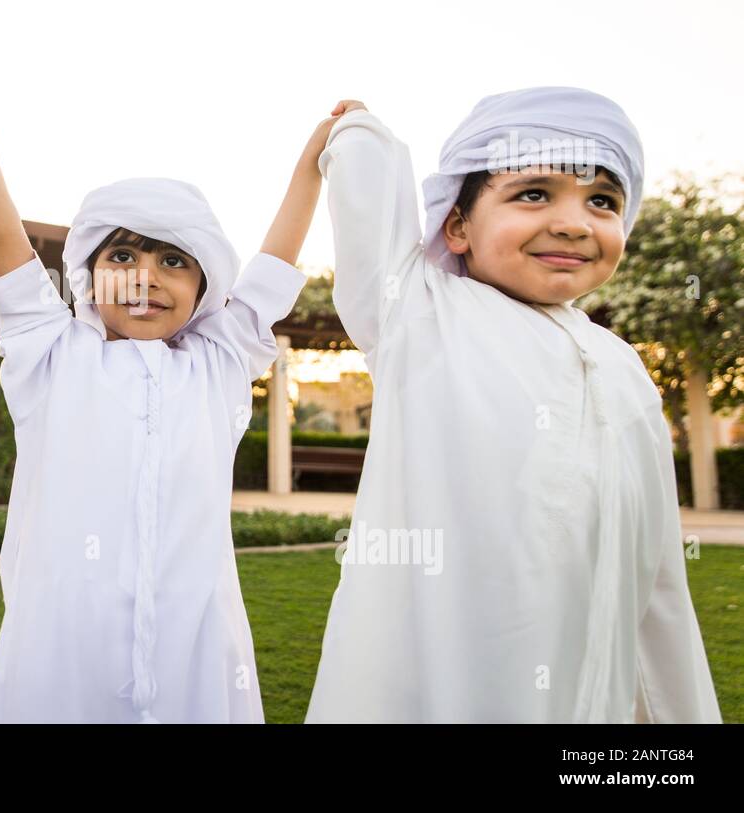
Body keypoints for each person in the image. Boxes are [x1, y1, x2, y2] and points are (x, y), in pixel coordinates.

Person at [0, 24, 321, 722]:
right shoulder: (50, 354)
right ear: (89, 273)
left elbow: (272, 271)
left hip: (197, 655)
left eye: (173, 260)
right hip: (63, 654)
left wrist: (312, 165)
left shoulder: (219, 366)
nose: (146, 279)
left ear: (202, 285)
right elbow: (5, 234)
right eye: (124, 256)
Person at [304, 88, 721, 723]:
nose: (574, 223)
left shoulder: (624, 366)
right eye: (533, 193)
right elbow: (369, 211)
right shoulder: (420, 314)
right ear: (458, 225)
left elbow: (656, 571)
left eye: (603, 201)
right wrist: (359, 131)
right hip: (453, 680)